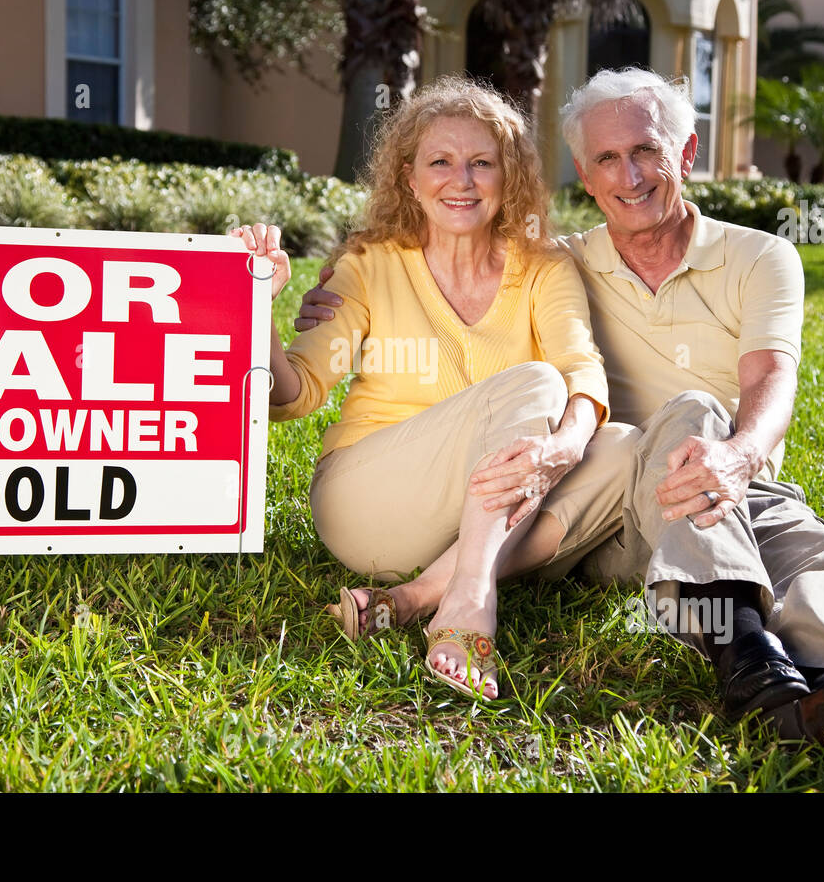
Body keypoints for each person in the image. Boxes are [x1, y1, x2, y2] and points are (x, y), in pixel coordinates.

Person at [295, 67, 824, 744]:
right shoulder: (564, 260)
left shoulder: (761, 256)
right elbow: (474, 265)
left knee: (823, 557)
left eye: (645, 151)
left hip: (726, 479)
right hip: (609, 506)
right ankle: (764, 678)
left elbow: (771, 379)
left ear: (686, 155)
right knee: (684, 412)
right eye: (607, 158)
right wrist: (325, 288)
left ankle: (817, 692)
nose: (628, 176)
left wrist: (738, 456)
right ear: (585, 172)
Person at [235, 76, 638, 700]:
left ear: (509, 176)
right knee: (535, 383)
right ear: (408, 177)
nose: (463, 181)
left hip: (478, 511)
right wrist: (256, 306)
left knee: (624, 448)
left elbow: (581, 369)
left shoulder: (545, 266)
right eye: (440, 162)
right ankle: (472, 599)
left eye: (483, 163)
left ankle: (421, 595)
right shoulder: (367, 266)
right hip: (368, 502)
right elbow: (294, 395)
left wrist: (564, 447)